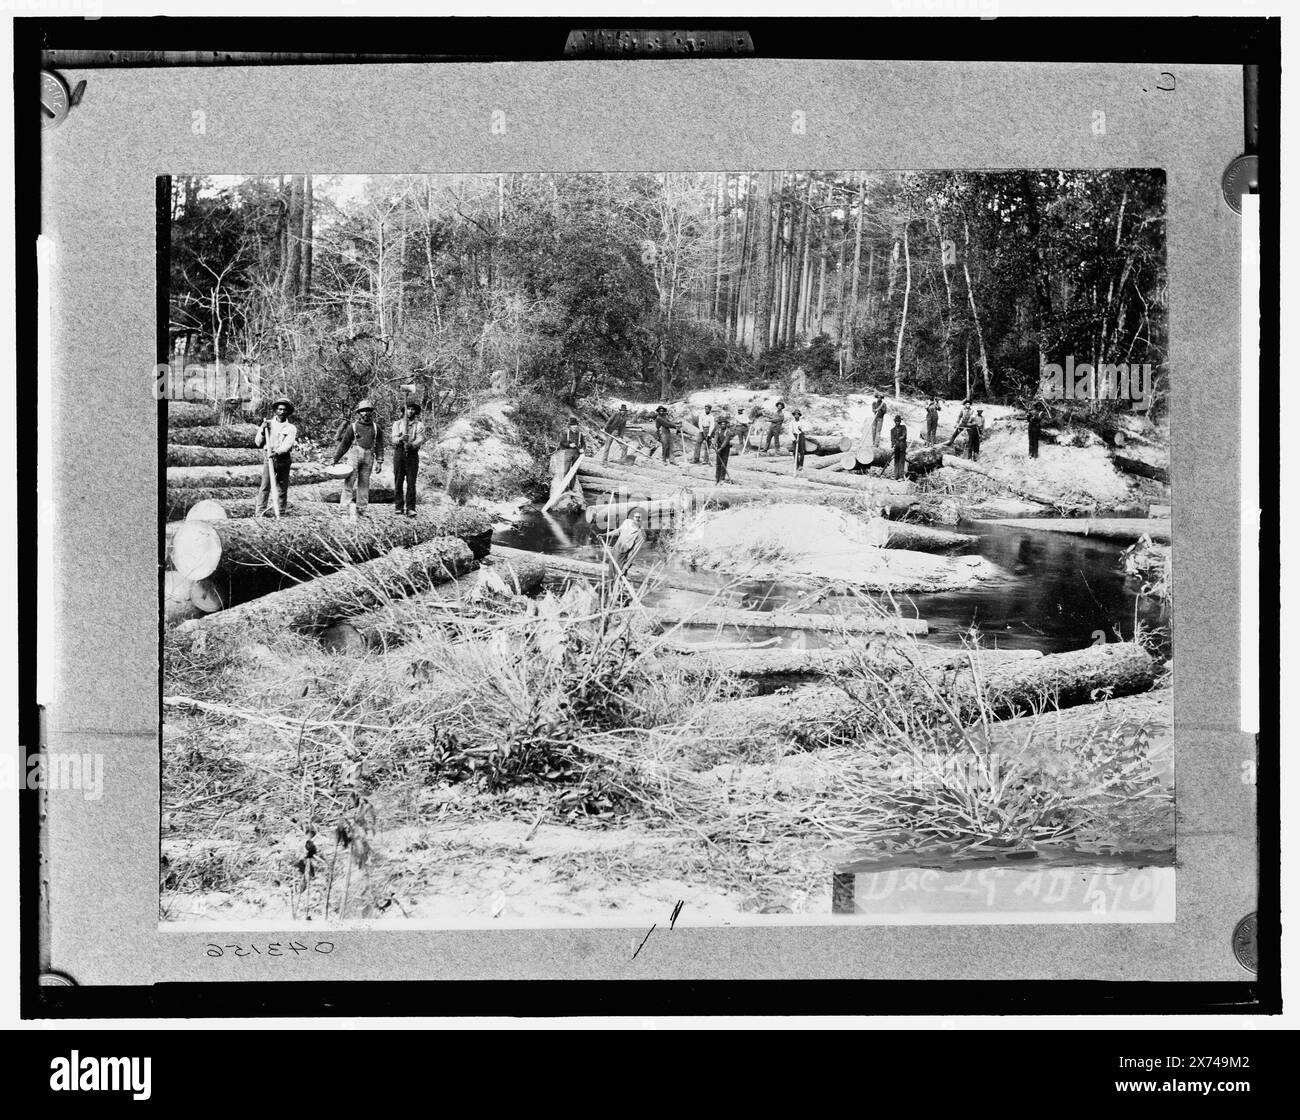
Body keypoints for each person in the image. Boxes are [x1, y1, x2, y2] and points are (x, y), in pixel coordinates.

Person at [334, 399, 385, 518]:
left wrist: (380, 461)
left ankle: (362, 508)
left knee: (364, 482)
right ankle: (344, 507)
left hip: (369, 456)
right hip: (355, 454)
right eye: (363, 411)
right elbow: (345, 444)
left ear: (371, 413)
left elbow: (380, 445)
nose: (366, 413)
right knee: (349, 481)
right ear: (359, 413)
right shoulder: (353, 427)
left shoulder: (376, 428)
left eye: (368, 411)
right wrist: (335, 459)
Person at [253, 397, 297, 517]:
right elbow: (257, 442)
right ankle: (259, 513)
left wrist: (277, 453)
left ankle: (280, 513)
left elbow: (287, 445)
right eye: (280, 409)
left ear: (288, 412)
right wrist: (263, 431)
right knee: (265, 486)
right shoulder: (268, 424)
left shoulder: (291, 428)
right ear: (275, 411)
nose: (282, 412)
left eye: (284, 410)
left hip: (283, 459)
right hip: (269, 458)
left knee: (282, 489)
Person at [391, 400, 425, 517]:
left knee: (411, 482)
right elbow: (393, 440)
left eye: (412, 409)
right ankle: (398, 507)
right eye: (408, 409)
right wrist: (401, 438)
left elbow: (420, 439)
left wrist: (412, 444)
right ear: (404, 411)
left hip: (412, 455)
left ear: (415, 412)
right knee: (398, 481)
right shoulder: (397, 424)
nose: (410, 411)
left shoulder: (419, 425)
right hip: (399, 454)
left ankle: (410, 508)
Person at [606, 506, 647, 584]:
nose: (638, 519)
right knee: (610, 576)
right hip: (614, 551)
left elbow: (634, 553)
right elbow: (618, 531)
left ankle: (618, 595)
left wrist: (626, 566)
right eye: (636, 517)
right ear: (633, 517)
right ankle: (609, 593)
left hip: (623, 557)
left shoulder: (641, 535)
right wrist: (605, 534)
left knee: (618, 579)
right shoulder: (627, 522)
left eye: (640, 518)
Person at [556, 416, 586, 494]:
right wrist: (569, 445)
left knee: (573, 471)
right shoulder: (566, 433)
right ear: (570, 426)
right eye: (572, 425)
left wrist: (582, 449)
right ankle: (564, 488)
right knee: (566, 470)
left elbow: (583, 444)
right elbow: (562, 443)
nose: (574, 427)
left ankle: (571, 488)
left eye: (575, 425)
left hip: (577, 453)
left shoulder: (580, 434)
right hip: (568, 452)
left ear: (577, 426)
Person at [713, 415, 733, 484]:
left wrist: (720, 449)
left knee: (724, 463)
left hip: (725, 449)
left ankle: (722, 478)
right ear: (720, 425)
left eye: (724, 424)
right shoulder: (717, 431)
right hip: (719, 448)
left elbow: (725, 442)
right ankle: (717, 478)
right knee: (718, 464)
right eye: (721, 424)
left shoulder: (728, 432)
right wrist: (714, 444)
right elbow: (715, 438)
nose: (723, 425)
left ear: (726, 425)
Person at [890, 413, 908, 480]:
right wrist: (893, 444)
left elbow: (904, 436)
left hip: (902, 446)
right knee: (896, 461)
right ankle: (895, 475)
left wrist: (898, 439)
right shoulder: (892, 430)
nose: (897, 422)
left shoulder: (903, 427)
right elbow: (892, 439)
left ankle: (901, 476)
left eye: (898, 421)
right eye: (896, 421)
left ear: (900, 421)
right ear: (895, 421)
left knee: (901, 461)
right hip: (896, 447)